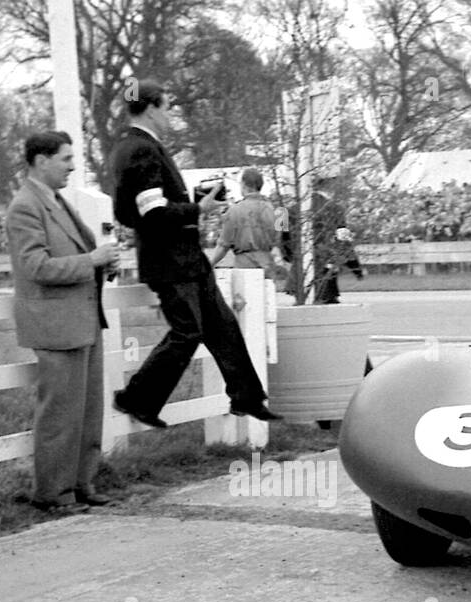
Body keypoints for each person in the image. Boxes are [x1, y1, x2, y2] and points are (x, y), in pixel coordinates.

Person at [107, 80, 280, 428]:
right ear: (152, 108)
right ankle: (136, 398)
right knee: (188, 333)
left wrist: (193, 208)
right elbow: (152, 214)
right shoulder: (141, 149)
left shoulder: (137, 146)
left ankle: (247, 397)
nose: (171, 114)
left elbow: (134, 211)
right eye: (168, 106)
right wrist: (197, 209)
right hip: (171, 264)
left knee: (224, 328)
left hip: (186, 261)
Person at [6, 131, 119, 514]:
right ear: (41, 160)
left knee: (88, 410)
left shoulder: (56, 202)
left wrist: (100, 260)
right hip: (57, 326)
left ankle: (81, 484)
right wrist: (93, 261)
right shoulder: (25, 206)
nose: (72, 165)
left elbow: (76, 254)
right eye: (65, 158)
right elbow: (36, 267)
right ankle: (53, 493)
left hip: (82, 320)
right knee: (59, 414)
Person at [208, 167, 283, 273]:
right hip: (269, 267)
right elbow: (280, 243)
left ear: (243, 184)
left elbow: (223, 246)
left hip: (244, 268)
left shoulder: (234, 211)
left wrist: (210, 264)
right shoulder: (277, 211)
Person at [310, 177, 364, 305]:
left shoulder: (293, 207)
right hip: (325, 257)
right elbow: (342, 237)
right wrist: (354, 266)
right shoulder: (334, 208)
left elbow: (281, 229)